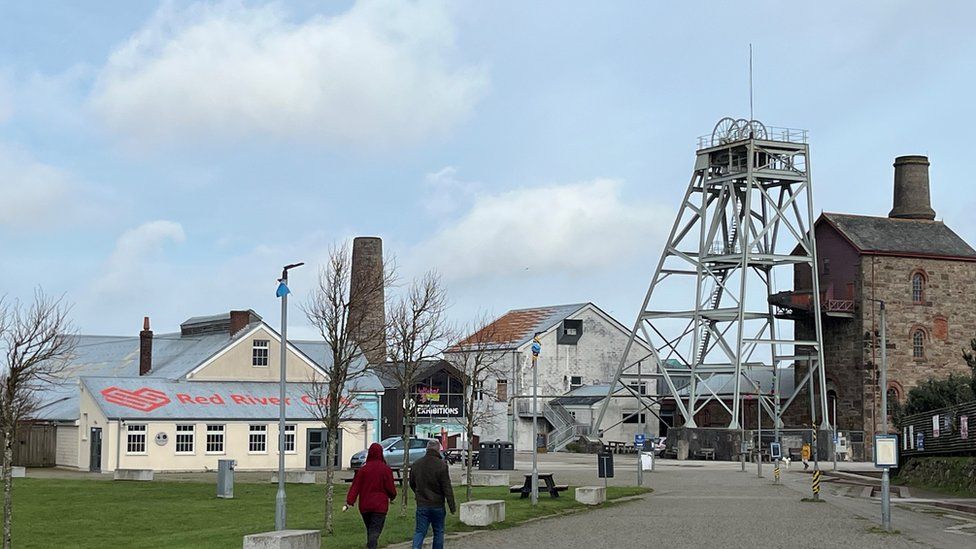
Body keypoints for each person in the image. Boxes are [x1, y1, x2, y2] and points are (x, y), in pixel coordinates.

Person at [345, 442, 397, 549]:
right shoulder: (385, 469)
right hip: (380, 506)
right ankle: (372, 545)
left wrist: (350, 500)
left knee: (370, 528)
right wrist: (392, 496)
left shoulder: (363, 470)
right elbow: (390, 488)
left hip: (365, 505)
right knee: (375, 529)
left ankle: (371, 544)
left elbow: (355, 486)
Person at [410, 440, 456, 549]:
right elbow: (446, 487)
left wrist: (418, 493)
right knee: (438, 532)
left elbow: (412, 483)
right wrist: (451, 505)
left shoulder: (417, 464)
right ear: (438, 450)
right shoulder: (441, 465)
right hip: (437, 504)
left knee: (420, 531)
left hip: (422, 504)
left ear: (427, 449)